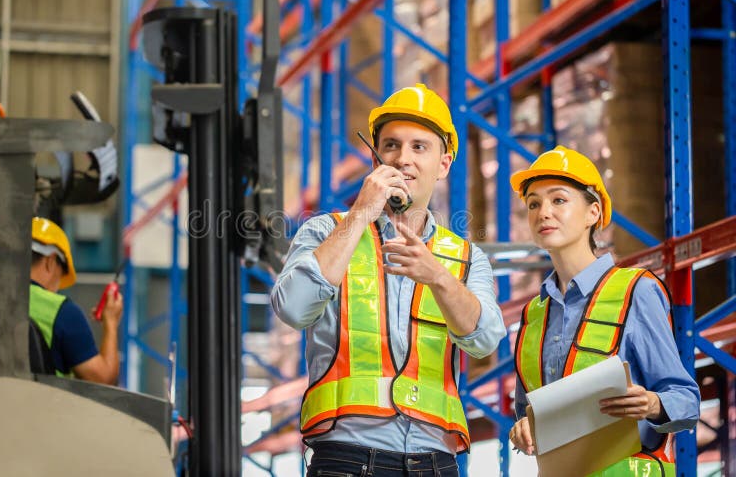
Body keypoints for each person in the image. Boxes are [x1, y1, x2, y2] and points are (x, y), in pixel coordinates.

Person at [271, 84, 506, 477]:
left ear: (444, 164)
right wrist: (362, 211)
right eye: (392, 145)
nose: (403, 159)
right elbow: (292, 308)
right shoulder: (326, 232)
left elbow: (483, 340)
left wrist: (438, 277)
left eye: (419, 147)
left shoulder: (465, 258)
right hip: (346, 459)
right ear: (376, 157)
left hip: (435, 464)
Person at [507, 146, 700, 475]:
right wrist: (522, 429)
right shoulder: (533, 315)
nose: (543, 212)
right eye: (533, 204)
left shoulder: (634, 291)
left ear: (593, 213)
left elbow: (686, 399)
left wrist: (653, 403)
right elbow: (529, 413)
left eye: (559, 200)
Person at [31, 217, 122, 385]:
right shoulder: (62, 312)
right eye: (61, 274)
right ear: (50, 262)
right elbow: (103, 379)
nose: (58, 287)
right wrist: (111, 322)